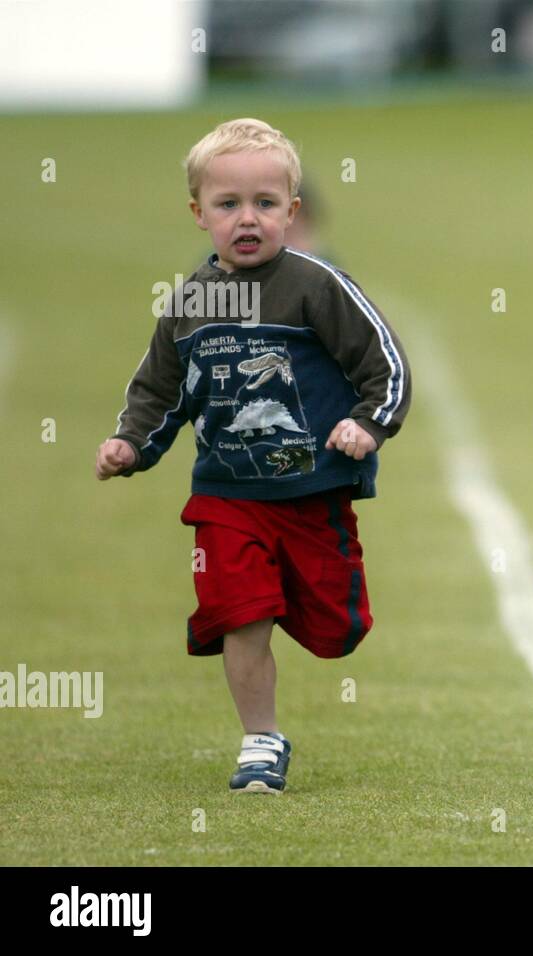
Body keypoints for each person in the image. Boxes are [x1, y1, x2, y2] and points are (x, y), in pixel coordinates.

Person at [95, 118, 411, 794]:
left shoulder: (316, 285)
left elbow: (383, 363)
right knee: (241, 610)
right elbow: (160, 389)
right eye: (228, 204)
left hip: (309, 492)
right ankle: (260, 741)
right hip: (227, 496)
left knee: (336, 630)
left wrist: (367, 426)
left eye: (266, 204)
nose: (248, 218)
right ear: (198, 213)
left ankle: (294, 605)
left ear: (292, 212)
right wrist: (131, 444)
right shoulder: (191, 302)